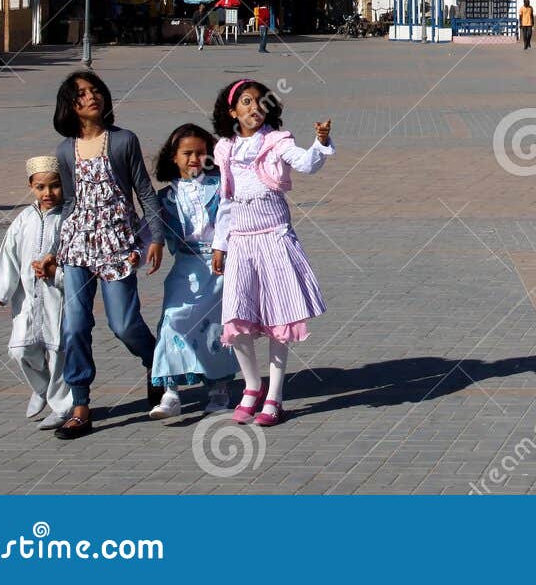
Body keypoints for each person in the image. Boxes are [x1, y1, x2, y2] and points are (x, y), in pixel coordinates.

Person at [43, 71, 166, 440]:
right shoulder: (65, 149)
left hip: (116, 243)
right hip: (77, 245)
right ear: (71, 105)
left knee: (124, 324)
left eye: (95, 90)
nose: (91, 97)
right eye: (81, 94)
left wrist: (156, 237)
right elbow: (68, 205)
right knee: (75, 324)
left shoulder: (123, 141)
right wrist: (53, 251)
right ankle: (81, 405)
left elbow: (145, 192)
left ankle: (155, 364)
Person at [212, 79, 335, 427]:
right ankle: (251, 386)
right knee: (236, 318)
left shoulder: (277, 142)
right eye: (246, 102)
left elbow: (308, 164)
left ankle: (275, 396)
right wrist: (220, 245)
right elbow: (225, 202)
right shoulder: (225, 149)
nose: (254, 108)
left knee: (279, 319)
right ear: (232, 111)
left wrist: (321, 142)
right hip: (240, 242)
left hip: (274, 240)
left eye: (260, 103)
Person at [148, 124, 239, 421]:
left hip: (219, 266)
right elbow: (150, 232)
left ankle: (219, 389)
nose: (194, 159)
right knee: (172, 320)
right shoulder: (164, 198)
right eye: (187, 153)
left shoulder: (222, 186)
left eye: (201, 153)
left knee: (216, 329)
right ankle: (171, 391)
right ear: (173, 157)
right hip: (185, 267)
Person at [0, 156, 72, 431]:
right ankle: (41, 387)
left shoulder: (70, 218)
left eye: (55, 186)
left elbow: (77, 262)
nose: (48, 193)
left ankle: (62, 406)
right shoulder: (23, 219)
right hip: (27, 300)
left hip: (58, 299)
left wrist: (56, 273)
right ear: (31, 186)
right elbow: (8, 256)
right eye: (41, 187)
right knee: (20, 349)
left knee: (59, 351)